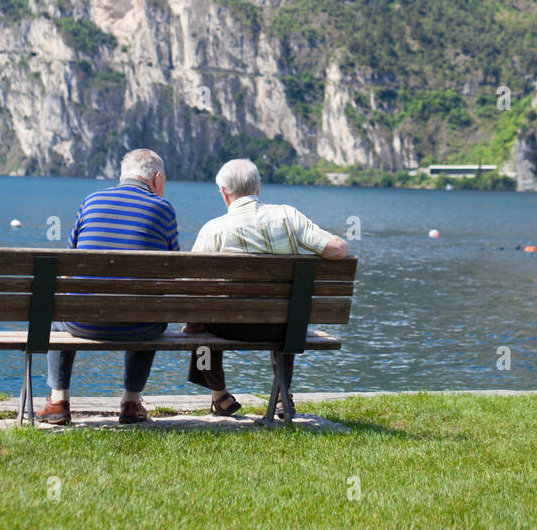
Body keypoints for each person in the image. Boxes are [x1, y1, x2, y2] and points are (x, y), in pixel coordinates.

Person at [186, 158, 348, 418]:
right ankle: (283, 396)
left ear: (224, 193)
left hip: (229, 326)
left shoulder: (213, 230)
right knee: (288, 312)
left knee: (200, 320)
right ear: (258, 188)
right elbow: (338, 249)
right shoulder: (288, 216)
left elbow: (192, 289)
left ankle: (220, 396)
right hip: (282, 327)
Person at [36, 148, 179, 426]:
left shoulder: (91, 201)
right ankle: (130, 403)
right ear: (157, 178)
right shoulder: (163, 209)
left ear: (122, 176)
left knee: (59, 315)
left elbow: (70, 262)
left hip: (83, 323)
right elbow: (171, 272)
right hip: (141, 328)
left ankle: (58, 400)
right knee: (148, 308)